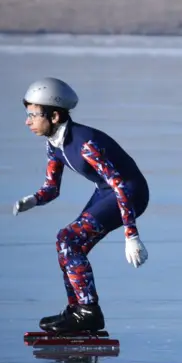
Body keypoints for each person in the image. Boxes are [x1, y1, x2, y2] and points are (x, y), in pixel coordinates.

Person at [14, 78, 150, 334]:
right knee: (65, 242)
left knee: (69, 239)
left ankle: (88, 312)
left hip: (130, 193)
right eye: (27, 114)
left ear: (54, 116)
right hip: (106, 192)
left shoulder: (86, 145)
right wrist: (33, 200)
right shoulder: (53, 145)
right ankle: (78, 310)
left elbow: (120, 185)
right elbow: (52, 189)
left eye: (33, 115)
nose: (27, 121)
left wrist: (131, 235)